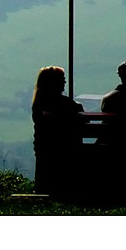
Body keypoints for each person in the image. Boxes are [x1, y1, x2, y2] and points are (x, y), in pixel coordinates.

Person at [31, 66, 86, 197]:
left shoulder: (38, 103)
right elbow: (81, 120)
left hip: (44, 148)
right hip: (68, 148)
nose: (65, 83)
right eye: (62, 80)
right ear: (54, 82)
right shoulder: (66, 104)